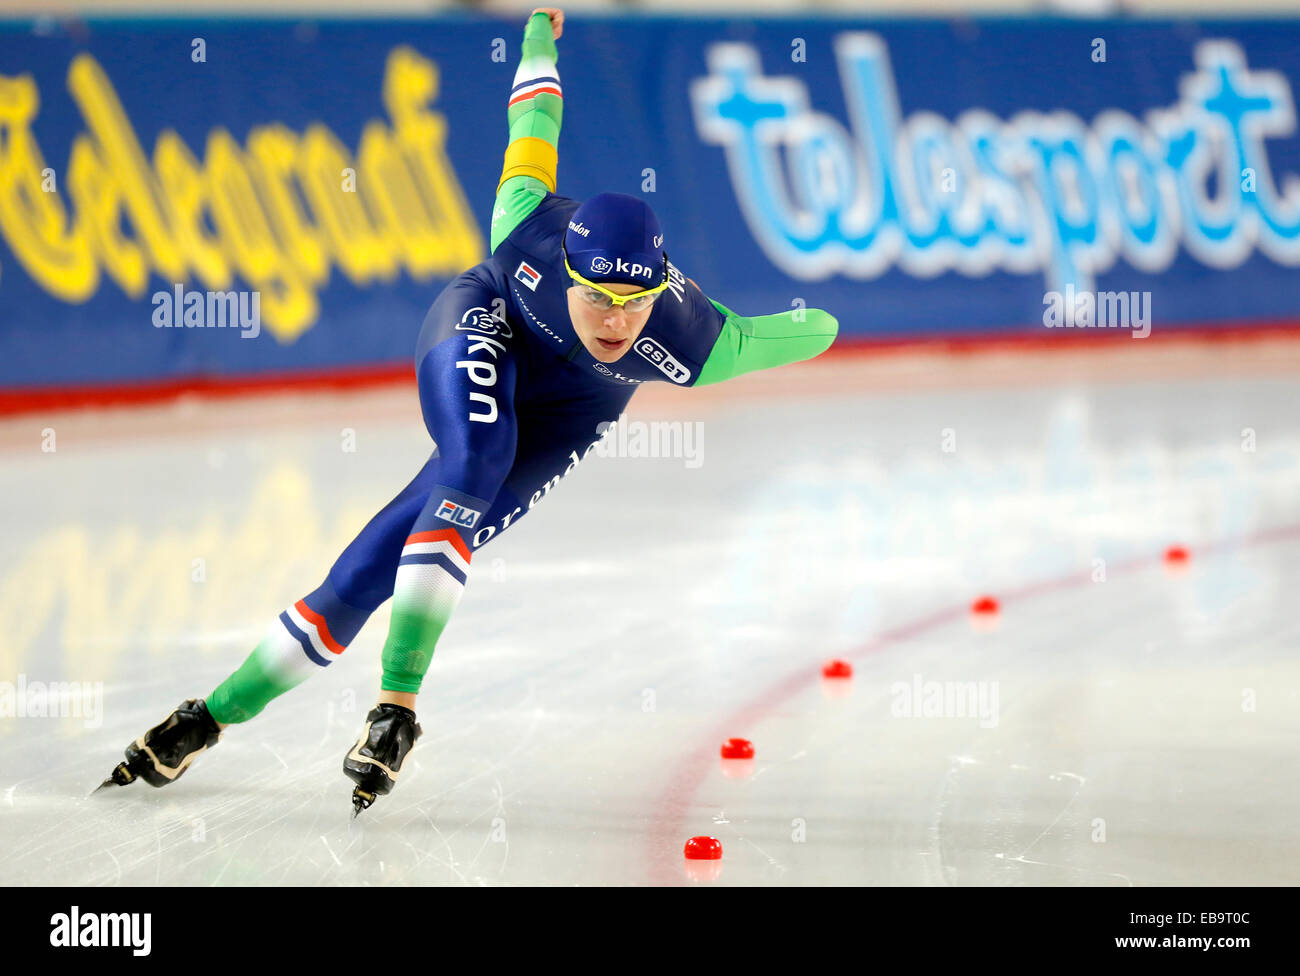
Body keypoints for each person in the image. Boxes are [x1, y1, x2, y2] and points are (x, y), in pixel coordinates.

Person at [98, 8, 838, 815]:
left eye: (636, 302)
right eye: (598, 297)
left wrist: (830, 319)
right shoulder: (526, 223)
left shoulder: (699, 344)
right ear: (566, 271)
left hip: (569, 414)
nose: (617, 320)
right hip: (486, 325)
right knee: (473, 462)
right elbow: (535, 116)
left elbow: (807, 330)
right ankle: (397, 709)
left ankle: (203, 719)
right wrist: (538, 32)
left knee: (365, 576)